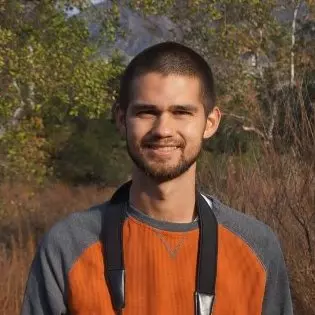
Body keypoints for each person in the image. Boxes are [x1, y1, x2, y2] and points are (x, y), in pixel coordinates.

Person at [21, 42, 293, 315]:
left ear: (210, 123)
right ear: (121, 119)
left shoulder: (257, 249)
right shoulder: (68, 246)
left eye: (181, 112)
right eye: (146, 112)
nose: (163, 129)